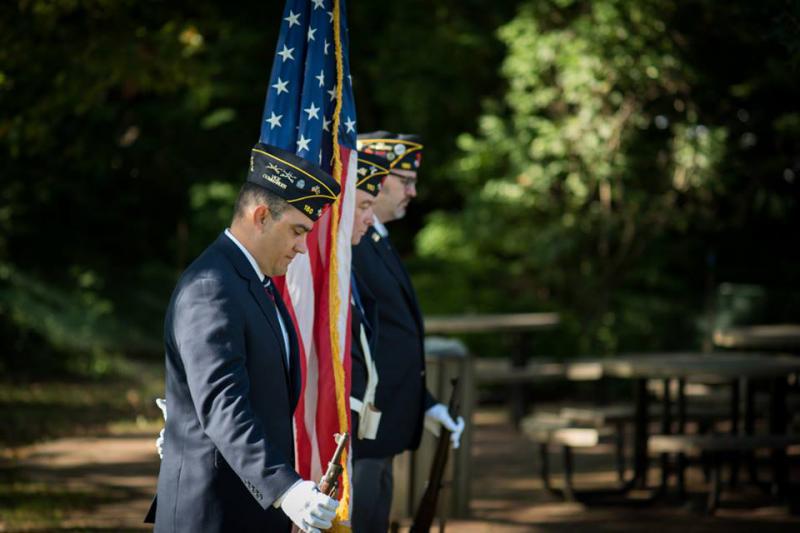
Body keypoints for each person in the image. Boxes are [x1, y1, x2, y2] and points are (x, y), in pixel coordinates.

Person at [147, 142, 343, 533]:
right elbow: (223, 405)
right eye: (297, 231)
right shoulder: (211, 286)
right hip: (212, 512)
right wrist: (286, 489)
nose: (303, 248)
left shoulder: (255, 283)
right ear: (261, 216)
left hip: (248, 505)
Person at [350, 131, 465, 533]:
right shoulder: (352, 244)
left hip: (387, 421)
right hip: (361, 425)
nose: (413, 192)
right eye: (405, 180)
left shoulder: (375, 239)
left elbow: (394, 337)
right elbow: (358, 339)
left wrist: (426, 402)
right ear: (374, 180)